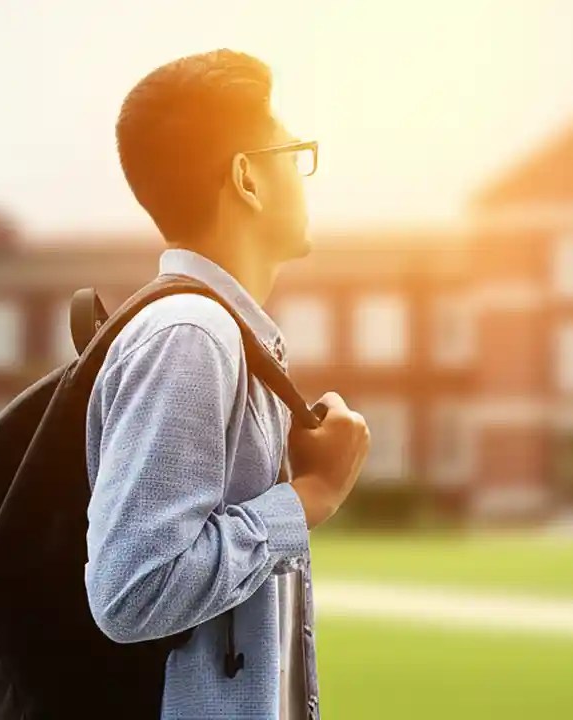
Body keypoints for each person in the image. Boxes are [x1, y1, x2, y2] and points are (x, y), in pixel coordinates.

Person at [85, 49, 369, 719]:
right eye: (292, 154)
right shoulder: (193, 335)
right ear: (247, 177)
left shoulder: (220, 337)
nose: (304, 179)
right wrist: (311, 498)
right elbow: (133, 591)